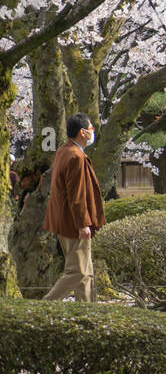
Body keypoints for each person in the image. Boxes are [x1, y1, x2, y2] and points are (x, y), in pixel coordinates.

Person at [42, 113, 106, 302]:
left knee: (86, 273)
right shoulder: (75, 156)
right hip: (73, 224)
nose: (93, 132)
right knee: (77, 272)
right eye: (91, 128)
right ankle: (45, 306)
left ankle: (87, 315)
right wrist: (82, 224)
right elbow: (76, 195)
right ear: (82, 132)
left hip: (66, 220)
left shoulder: (64, 151)